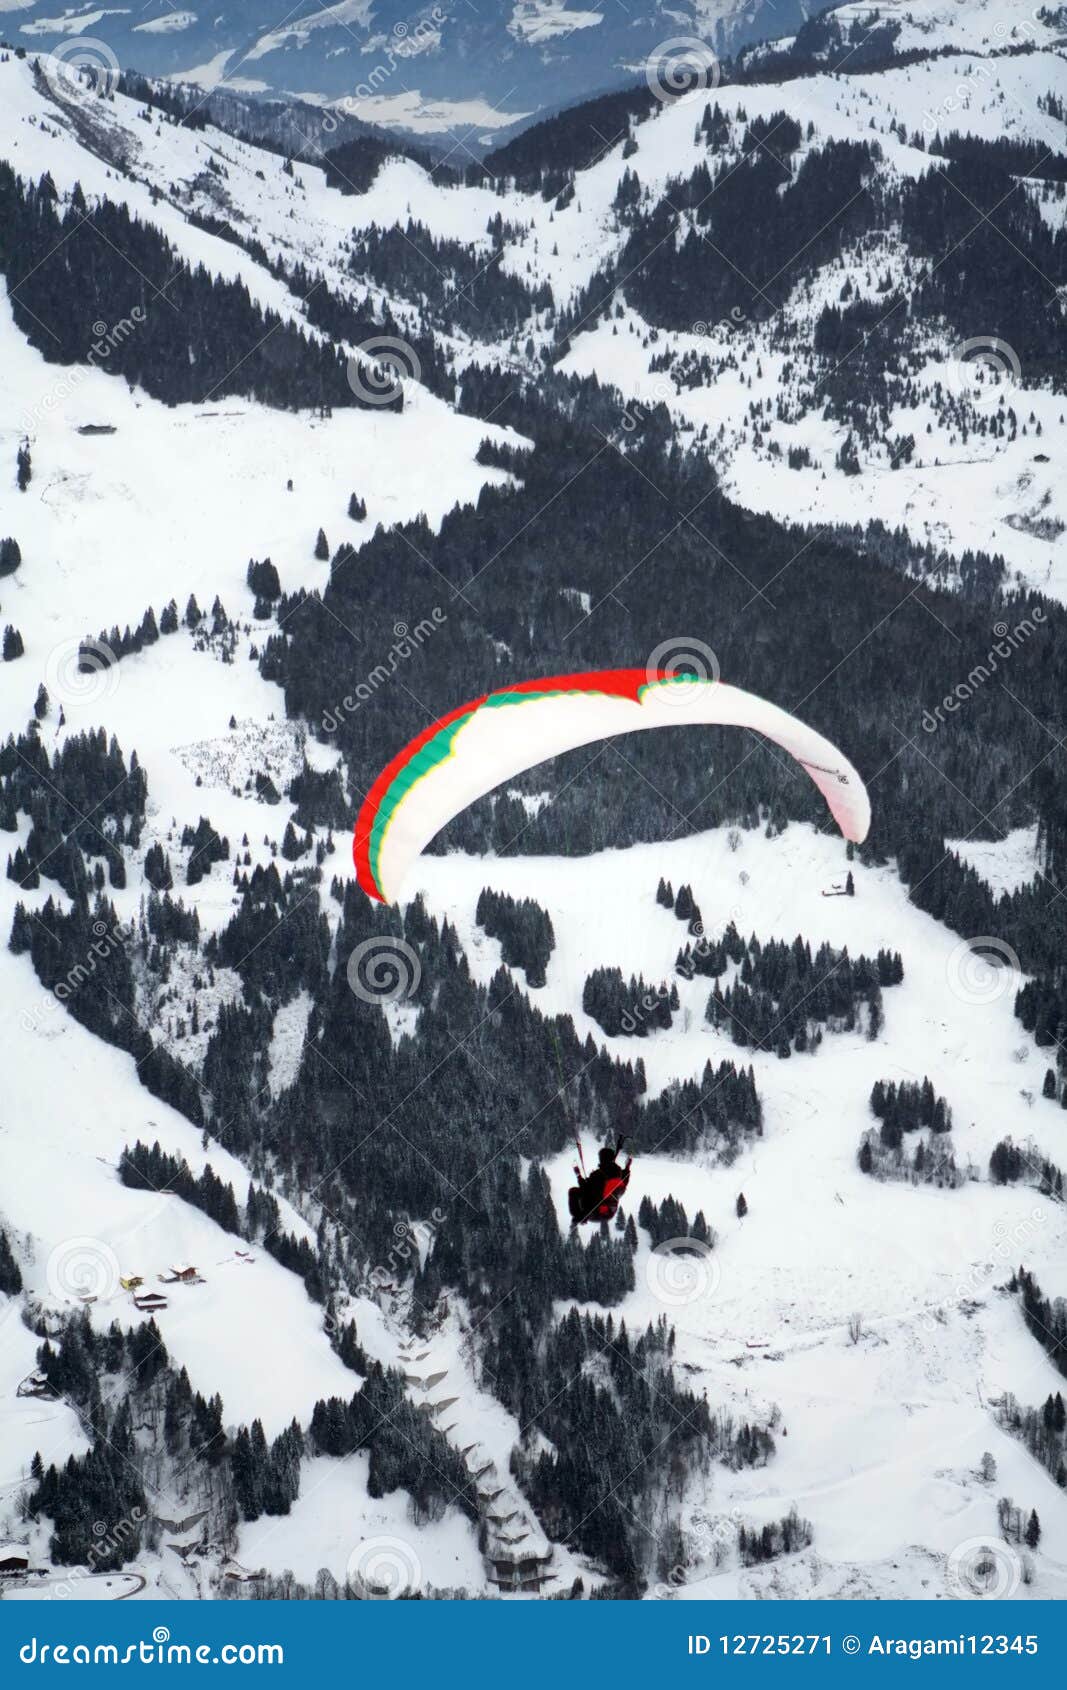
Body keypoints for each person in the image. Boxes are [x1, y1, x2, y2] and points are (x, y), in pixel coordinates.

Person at [568, 1137, 632, 1225]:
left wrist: (578, 1175)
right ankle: (583, 1215)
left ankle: (579, 1216)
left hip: (594, 1213)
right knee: (597, 1193)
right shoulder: (618, 1173)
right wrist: (628, 1167)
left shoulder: (597, 1175)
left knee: (573, 1191)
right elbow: (625, 1180)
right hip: (610, 1213)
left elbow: (585, 1188)